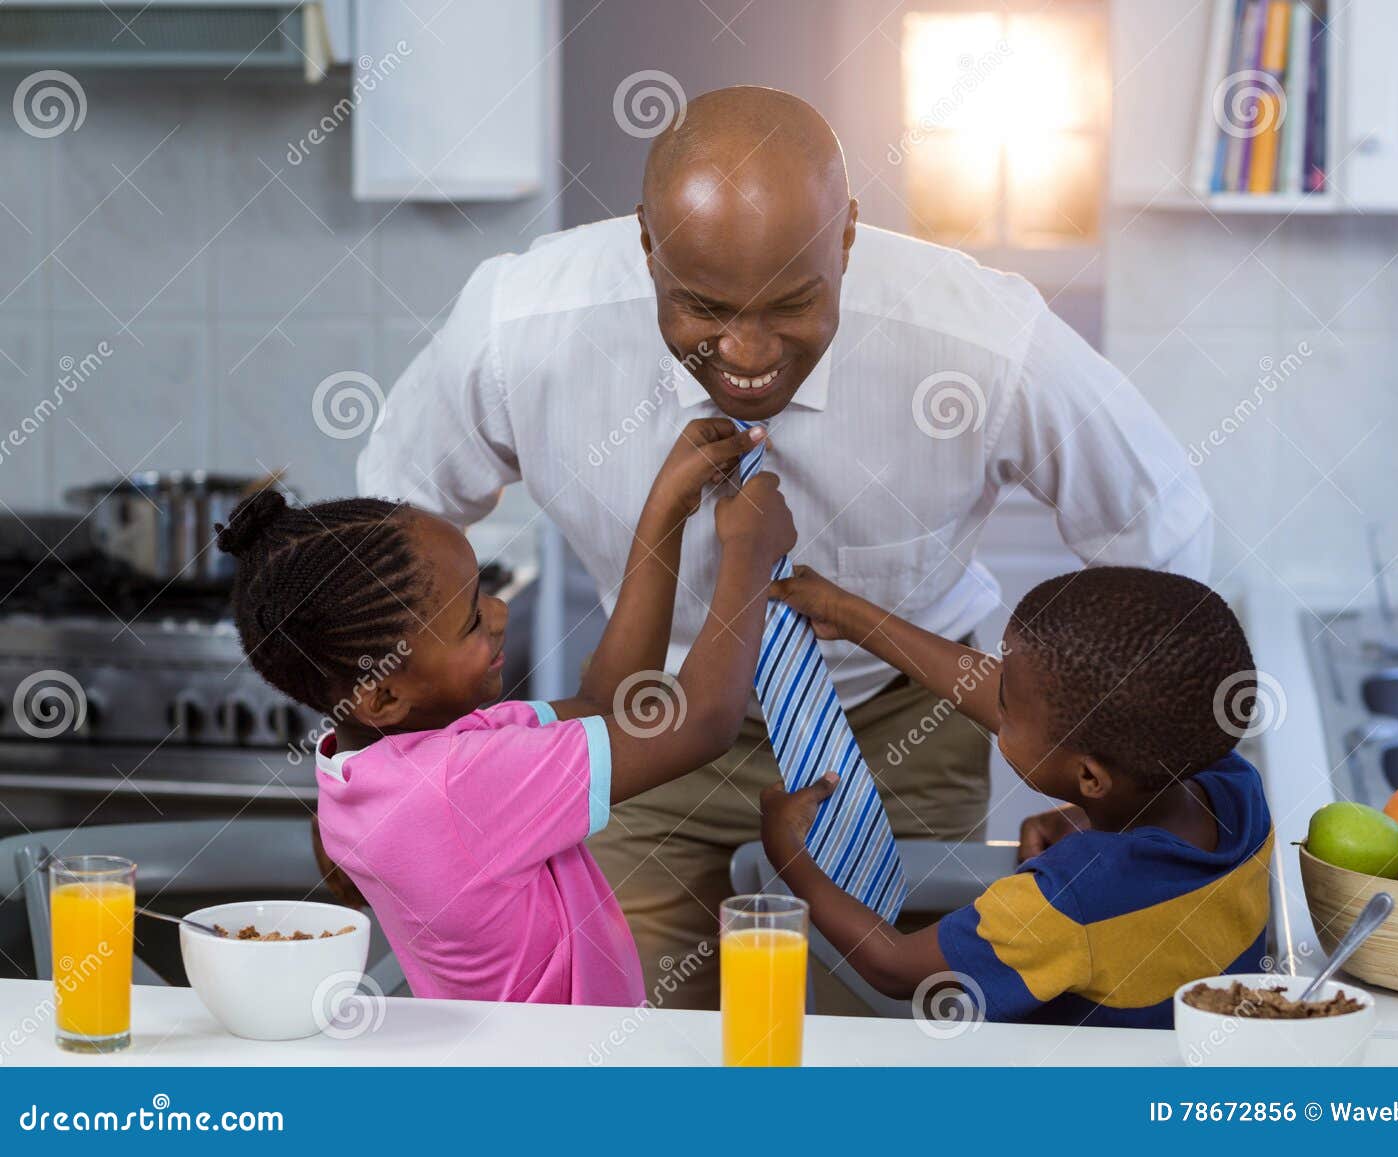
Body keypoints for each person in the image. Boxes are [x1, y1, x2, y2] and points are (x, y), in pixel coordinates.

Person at [358, 85, 1212, 1009]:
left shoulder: (979, 339)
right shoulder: (520, 327)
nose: (750, 350)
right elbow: (387, 527)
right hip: (644, 732)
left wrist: (1113, 793)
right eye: (703, 308)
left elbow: (1161, 531)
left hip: (896, 738)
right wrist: (400, 775)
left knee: (875, 1061)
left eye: (793, 304)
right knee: (622, 1047)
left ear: (845, 236)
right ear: (647, 242)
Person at [219, 420, 793, 1004]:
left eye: (482, 589)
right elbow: (700, 724)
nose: (497, 613)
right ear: (385, 697)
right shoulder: (459, 784)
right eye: (470, 619)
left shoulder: (367, 769)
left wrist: (668, 506)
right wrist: (748, 555)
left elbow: (608, 701)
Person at [759, 565, 1272, 1027]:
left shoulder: (1066, 904)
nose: (993, 698)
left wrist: (790, 855)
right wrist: (848, 615)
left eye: (1006, 704)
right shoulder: (1236, 788)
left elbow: (892, 967)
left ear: (1092, 777)